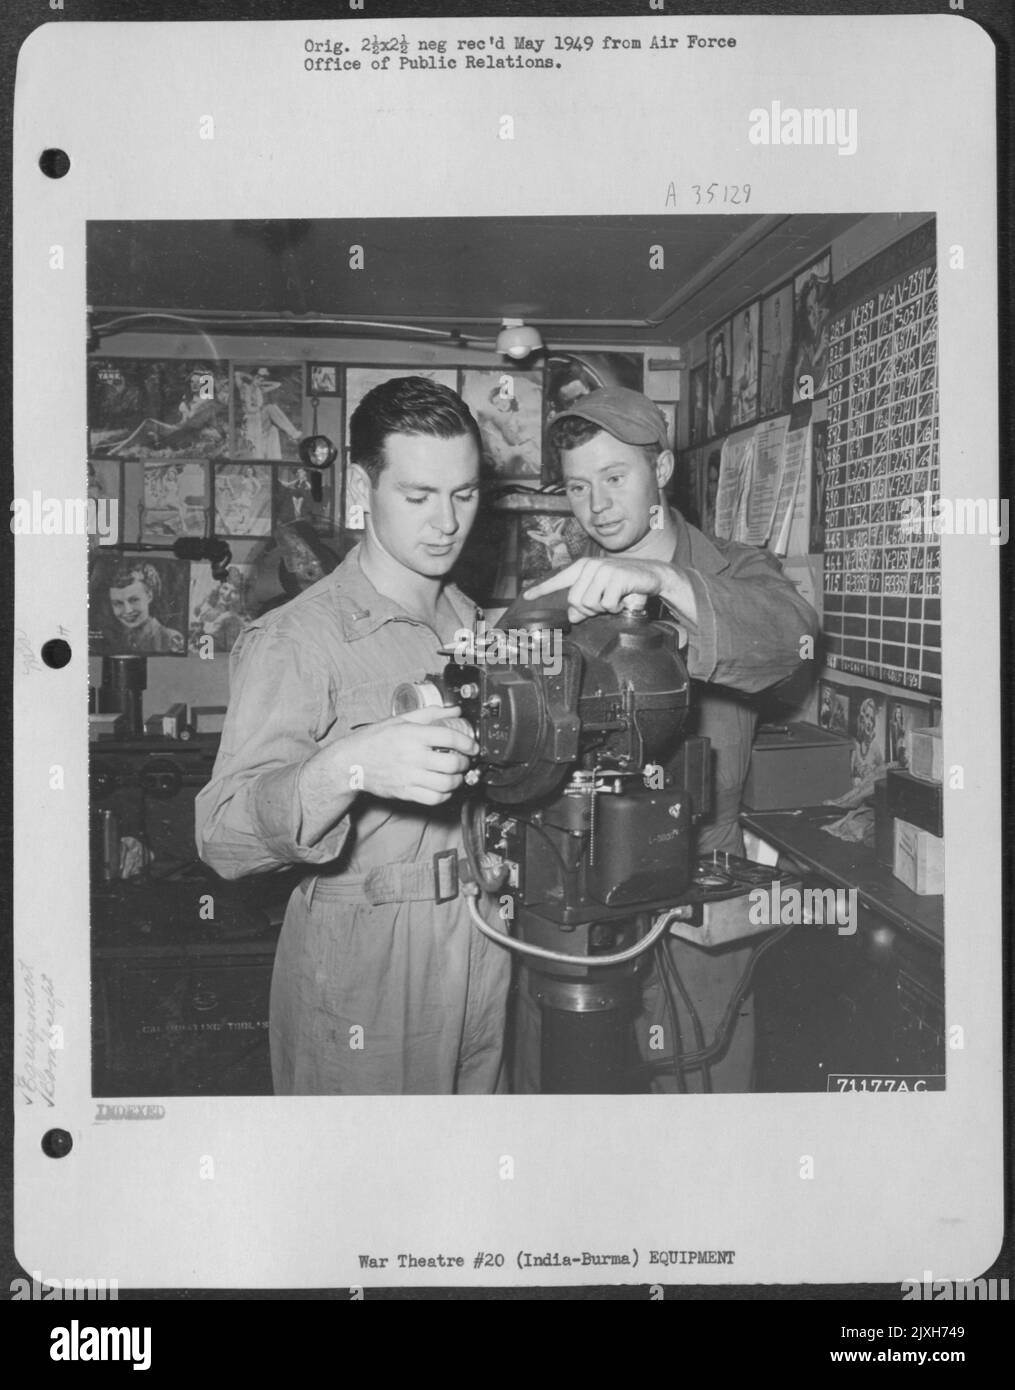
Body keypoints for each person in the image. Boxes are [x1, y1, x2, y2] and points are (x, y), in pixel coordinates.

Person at [196, 376, 510, 1095]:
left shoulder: (482, 630)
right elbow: (219, 837)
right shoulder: (299, 638)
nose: (446, 522)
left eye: (463, 495)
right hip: (367, 957)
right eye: (418, 496)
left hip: (488, 937)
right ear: (364, 489)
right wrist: (348, 766)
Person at [504, 388, 818, 1094]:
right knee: (555, 1102)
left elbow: (790, 639)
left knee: (701, 1100)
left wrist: (662, 581)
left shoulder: (734, 570)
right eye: (577, 487)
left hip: (698, 885)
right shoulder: (558, 592)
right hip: (571, 884)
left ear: (663, 469)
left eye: (614, 478)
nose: (596, 505)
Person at [105, 560, 185, 654]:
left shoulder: (169, 639)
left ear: (149, 596)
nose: (128, 610)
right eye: (118, 603)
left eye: (134, 600)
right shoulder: (116, 639)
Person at [707, 332, 730, 437]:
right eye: (715, 357)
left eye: (720, 355)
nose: (717, 361)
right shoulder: (711, 389)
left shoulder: (728, 383)